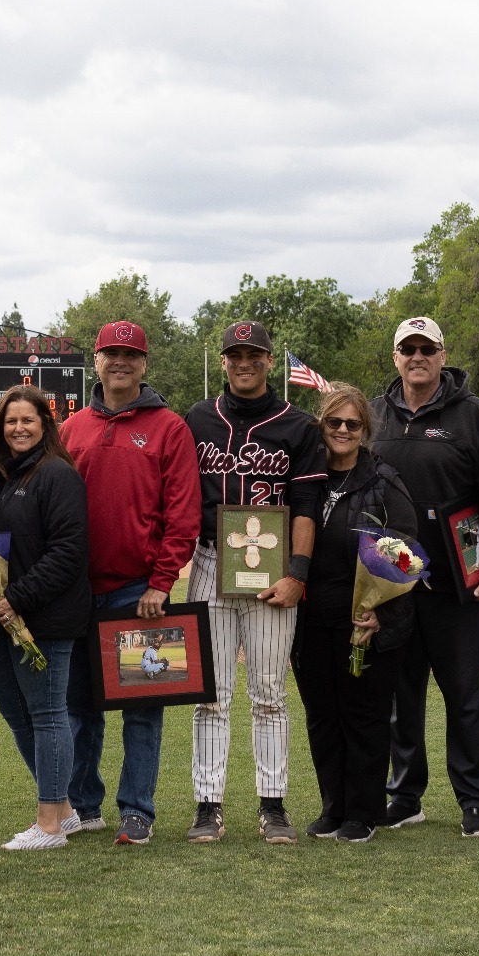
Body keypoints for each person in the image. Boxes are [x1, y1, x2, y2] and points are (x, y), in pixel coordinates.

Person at [373, 315, 479, 838]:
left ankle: (473, 800)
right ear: (395, 357)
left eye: (426, 349)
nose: (417, 357)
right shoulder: (375, 415)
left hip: (458, 582)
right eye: (407, 349)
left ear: (442, 354)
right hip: (393, 581)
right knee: (399, 694)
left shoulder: (475, 416)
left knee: (464, 695)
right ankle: (405, 795)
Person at [182, 321, 325, 844]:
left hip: (272, 567)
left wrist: (297, 575)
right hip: (209, 559)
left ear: (268, 360)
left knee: (269, 692)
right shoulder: (197, 419)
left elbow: (307, 507)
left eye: (254, 354)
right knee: (210, 694)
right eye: (235, 354)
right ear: (223, 361)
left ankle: (273, 804)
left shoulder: (299, 425)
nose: (245, 362)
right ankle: (207, 805)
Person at [61, 320, 200, 845]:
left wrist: (162, 582)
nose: (119, 361)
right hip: (75, 590)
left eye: (130, 354)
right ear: (95, 361)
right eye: (109, 353)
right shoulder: (72, 428)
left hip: (139, 589)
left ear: (143, 364)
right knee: (79, 708)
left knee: (143, 706)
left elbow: (182, 513)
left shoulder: (169, 427)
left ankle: (137, 809)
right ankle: (83, 804)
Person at [296, 386, 418, 844]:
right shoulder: (305, 478)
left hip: (366, 621)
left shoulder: (384, 481)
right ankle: (334, 807)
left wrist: (380, 613)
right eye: (334, 423)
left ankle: (363, 812)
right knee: (322, 716)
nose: (343, 431)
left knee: (363, 717)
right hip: (312, 621)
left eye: (352, 424)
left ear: (365, 431)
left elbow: (406, 553)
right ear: (321, 426)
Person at [0, 386, 91, 850]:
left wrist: (19, 597)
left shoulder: (57, 475)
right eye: (10, 421)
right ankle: (64, 811)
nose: (18, 428)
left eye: (28, 420)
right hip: (0, 618)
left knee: (46, 713)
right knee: (16, 713)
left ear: (45, 424)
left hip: (44, 617)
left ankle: (47, 826)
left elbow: (68, 552)